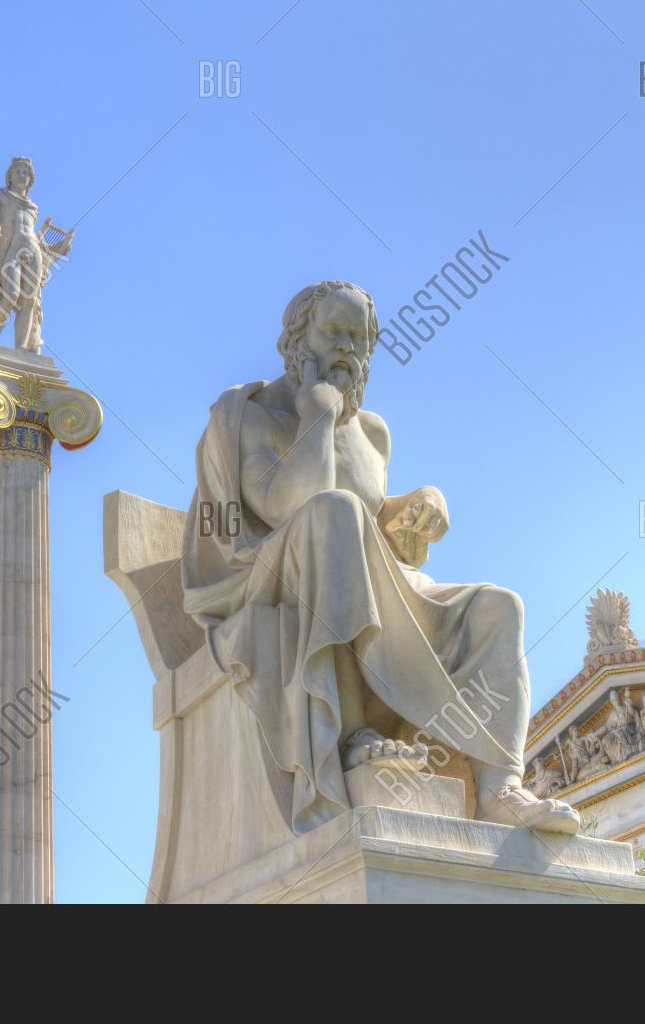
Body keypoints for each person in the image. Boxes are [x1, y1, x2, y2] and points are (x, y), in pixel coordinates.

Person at [182, 280, 579, 836]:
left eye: (359, 338)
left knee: (498, 605)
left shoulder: (372, 432)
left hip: (354, 566)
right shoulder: (247, 416)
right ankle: (348, 731)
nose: (347, 348)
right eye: (333, 333)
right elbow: (288, 505)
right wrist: (316, 415)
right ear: (296, 341)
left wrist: (415, 506)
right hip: (263, 576)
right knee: (333, 513)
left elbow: (373, 516)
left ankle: (498, 784)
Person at [0, 157, 71, 354]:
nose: (22, 175)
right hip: (9, 249)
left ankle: (22, 349)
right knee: (11, 295)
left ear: (31, 179)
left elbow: (35, 237)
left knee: (29, 300)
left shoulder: (32, 207)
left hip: (32, 251)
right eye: (18, 172)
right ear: (10, 177)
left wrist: (59, 246)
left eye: (26, 173)